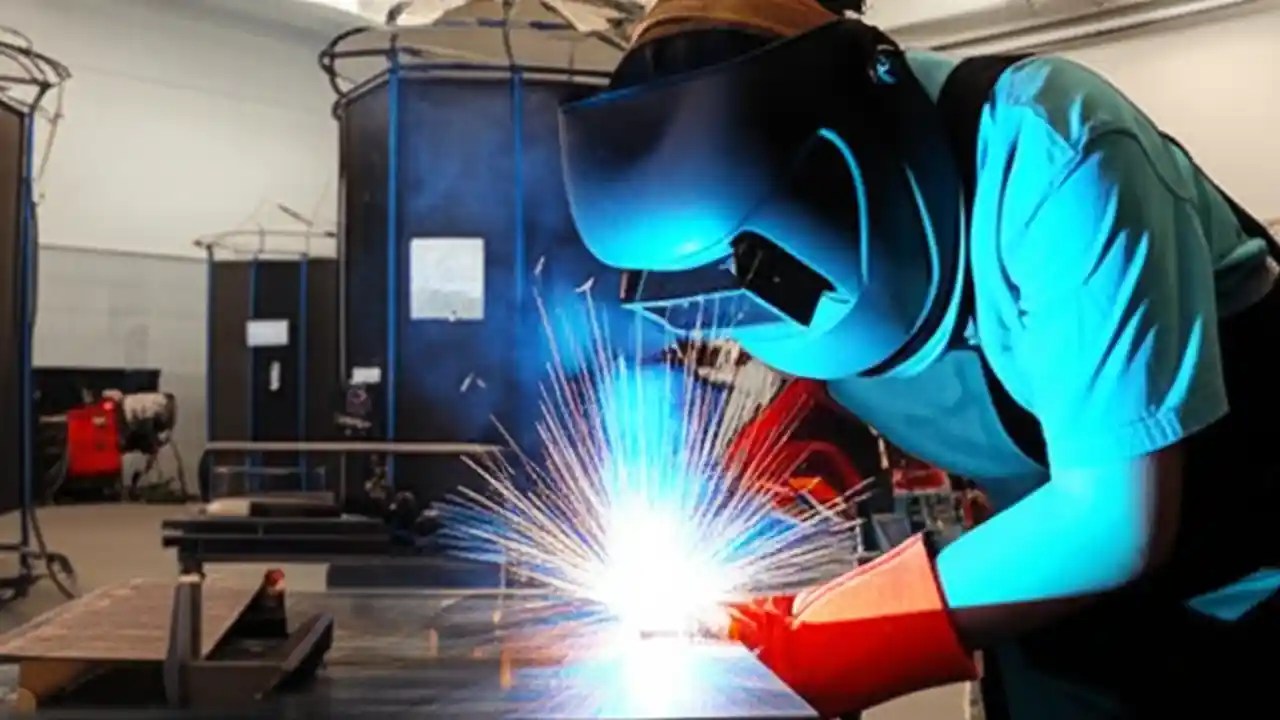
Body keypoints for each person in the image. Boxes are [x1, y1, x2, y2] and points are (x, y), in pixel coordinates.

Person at [556, 0, 1280, 717]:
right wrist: (796, 441)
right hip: (1048, 609)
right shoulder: (772, 239)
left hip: (1247, 599)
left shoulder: (1055, 152)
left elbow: (1115, 523)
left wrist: (822, 643)